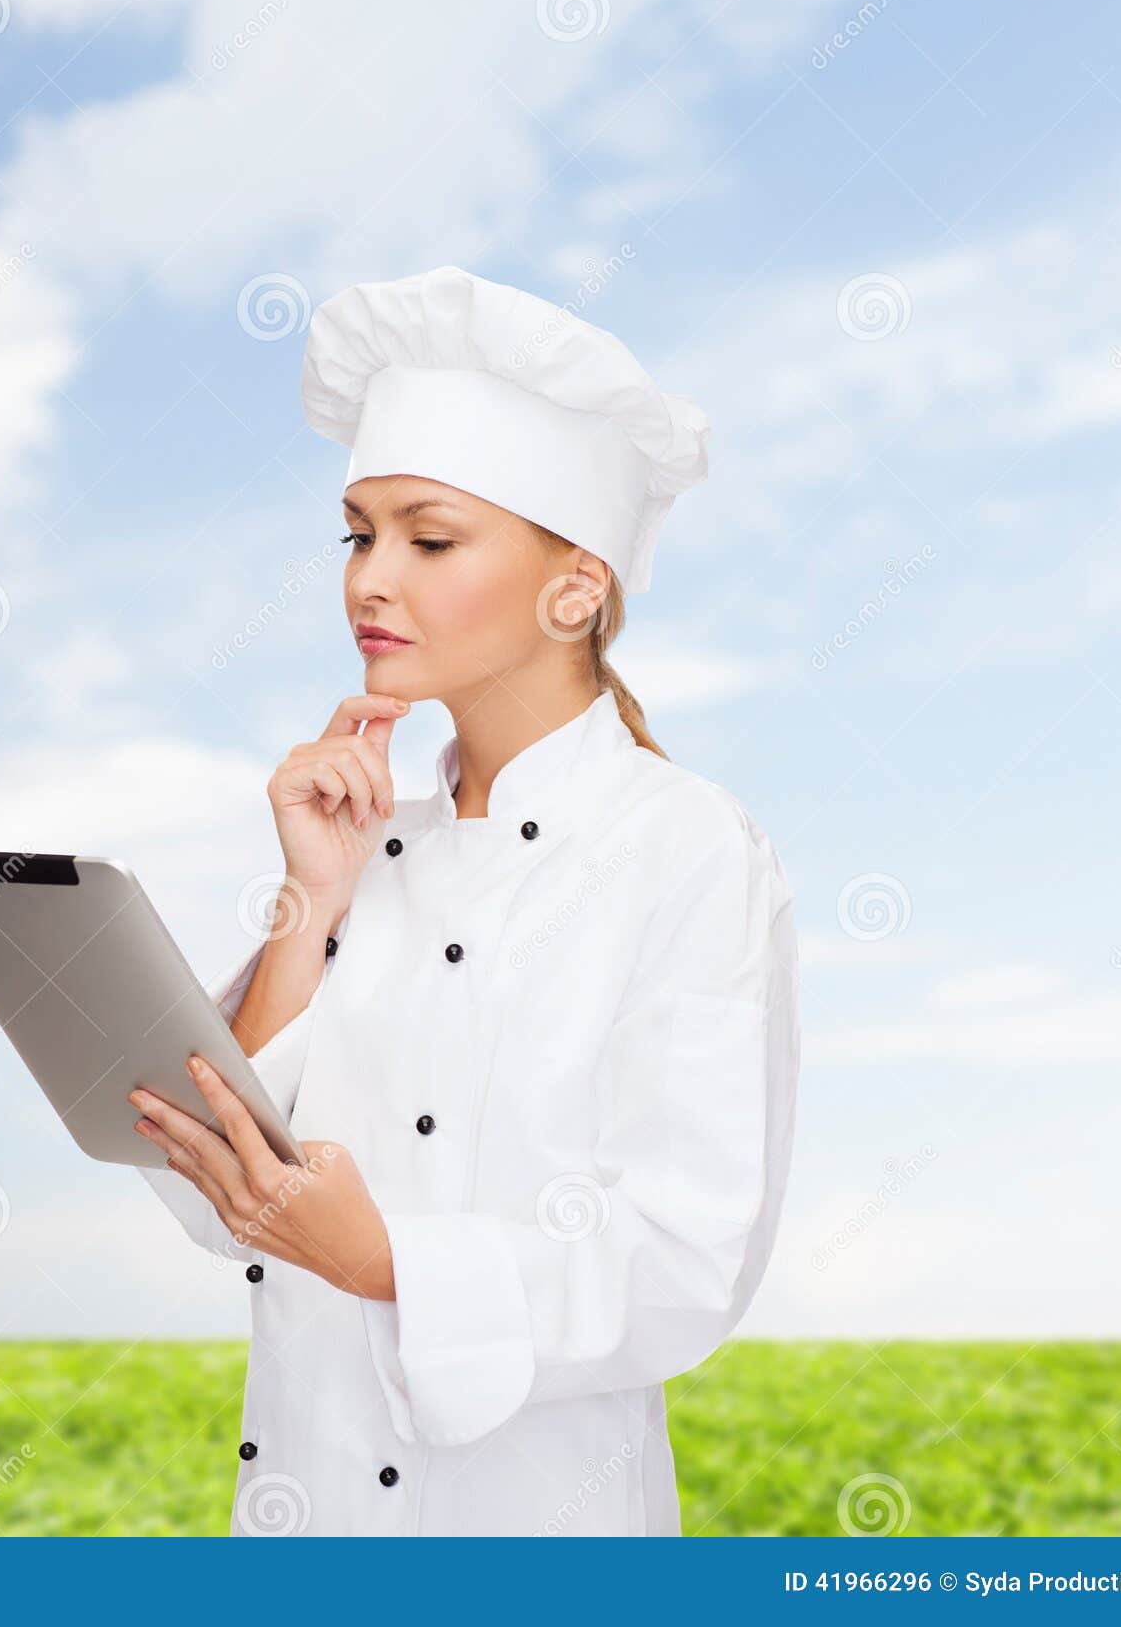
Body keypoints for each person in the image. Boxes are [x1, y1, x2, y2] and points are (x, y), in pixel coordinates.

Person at [128, 265, 800, 1537]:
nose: (368, 581)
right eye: (357, 534)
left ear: (574, 586)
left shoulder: (686, 849)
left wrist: (386, 1262)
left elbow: (686, 1259)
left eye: (427, 539)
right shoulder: (368, 844)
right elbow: (222, 1196)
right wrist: (308, 902)